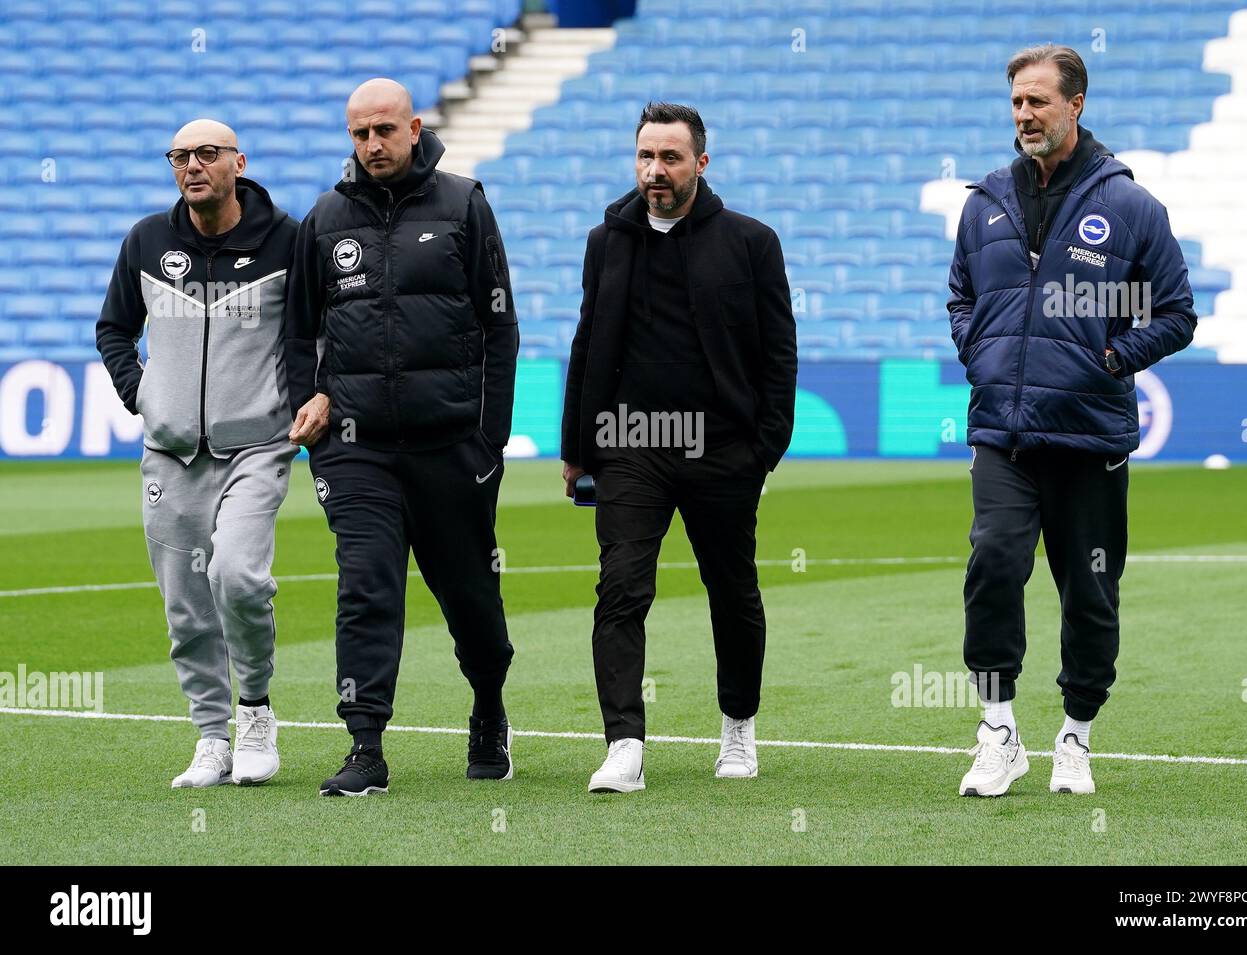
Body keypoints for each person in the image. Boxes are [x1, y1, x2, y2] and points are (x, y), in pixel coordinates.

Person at [947, 45, 1197, 796]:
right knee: (993, 561)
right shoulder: (984, 202)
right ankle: (998, 731)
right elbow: (962, 297)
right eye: (1017, 102)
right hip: (1003, 431)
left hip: (1090, 436)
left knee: (1089, 591)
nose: (1024, 115)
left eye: (1038, 102)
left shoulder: (1130, 207)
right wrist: (981, 352)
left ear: (1075, 106)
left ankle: (1076, 736)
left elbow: (1178, 312)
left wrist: (1113, 360)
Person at [285, 79, 519, 796]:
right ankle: (365, 744)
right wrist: (311, 401)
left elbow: (500, 326)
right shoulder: (324, 219)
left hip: (452, 446)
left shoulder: (464, 204)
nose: (372, 146)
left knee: (470, 597)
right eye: (359, 134)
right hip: (356, 448)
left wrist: (489, 441)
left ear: (415, 127)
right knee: (366, 586)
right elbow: (297, 332)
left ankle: (487, 706)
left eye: (384, 130)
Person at [561, 103, 798, 793]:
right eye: (645, 157)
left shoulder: (752, 241)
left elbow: (779, 354)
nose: (655, 171)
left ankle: (737, 726)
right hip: (629, 444)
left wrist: (764, 448)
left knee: (732, 590)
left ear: (701, 162)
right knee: (621, 588)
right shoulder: (606, 239)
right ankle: (625, 743)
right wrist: (578, 443)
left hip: (722, 449)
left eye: (669, 157)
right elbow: (586, 343)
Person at [96, 119, 299, 788]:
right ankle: (211, 734)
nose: (193, 165)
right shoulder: (148, 242)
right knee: (185, 605)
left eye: (207, 154)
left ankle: (256, 711)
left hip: (256, 446)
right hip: (171, 452)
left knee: (237, 574)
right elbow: (114, 329)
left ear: (238, 161)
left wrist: (306, 398)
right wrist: (145, 395)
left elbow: (317, 333)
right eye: (180, 156)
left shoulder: (286, 242)